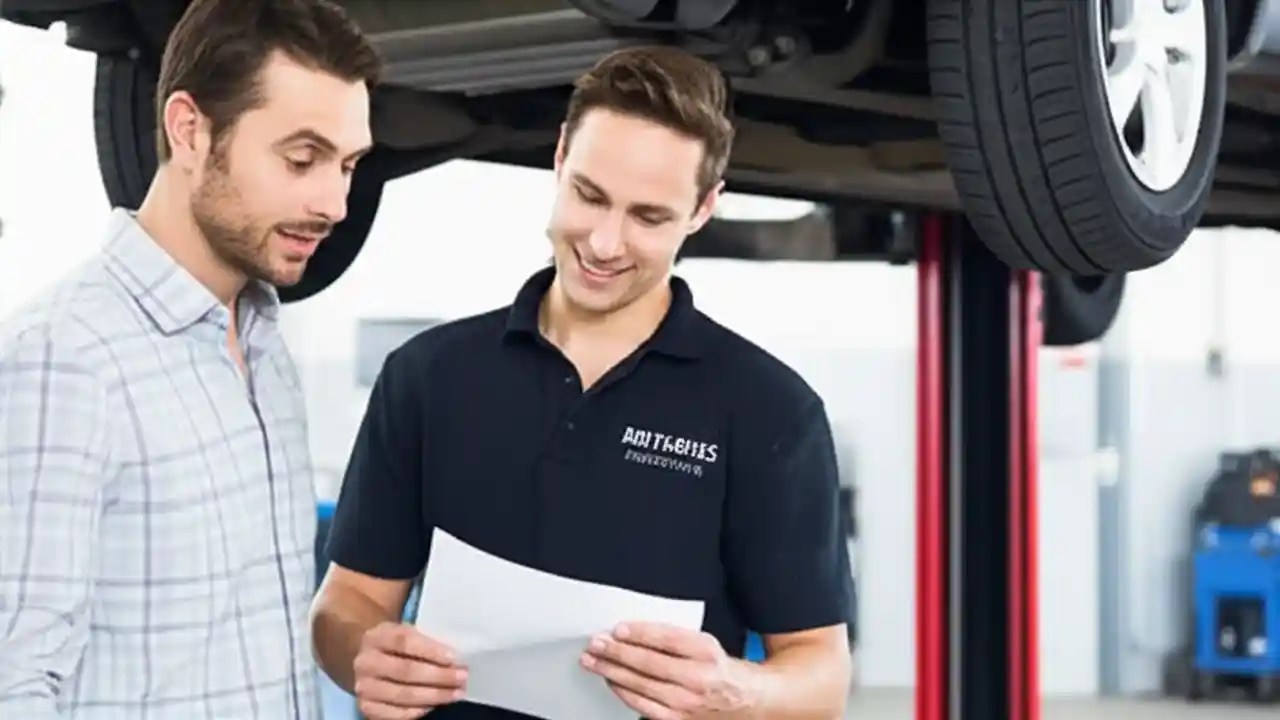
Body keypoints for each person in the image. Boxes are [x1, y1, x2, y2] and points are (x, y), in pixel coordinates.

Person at [312, 45, 855, 719]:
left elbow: (821, 675)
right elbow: (347, 603)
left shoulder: (769, 411)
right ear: (562, 155)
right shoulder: (430, 376)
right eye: (590, 196)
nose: (604, 243)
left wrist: (735, 691)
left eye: (648, 216)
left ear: (704, 207)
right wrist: (363, 652)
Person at [0, 1, 379, 717]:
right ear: (190, 129)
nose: (334, 202)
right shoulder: (63, 361)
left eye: (349, 165)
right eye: (301, 159)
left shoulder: (265, 347)